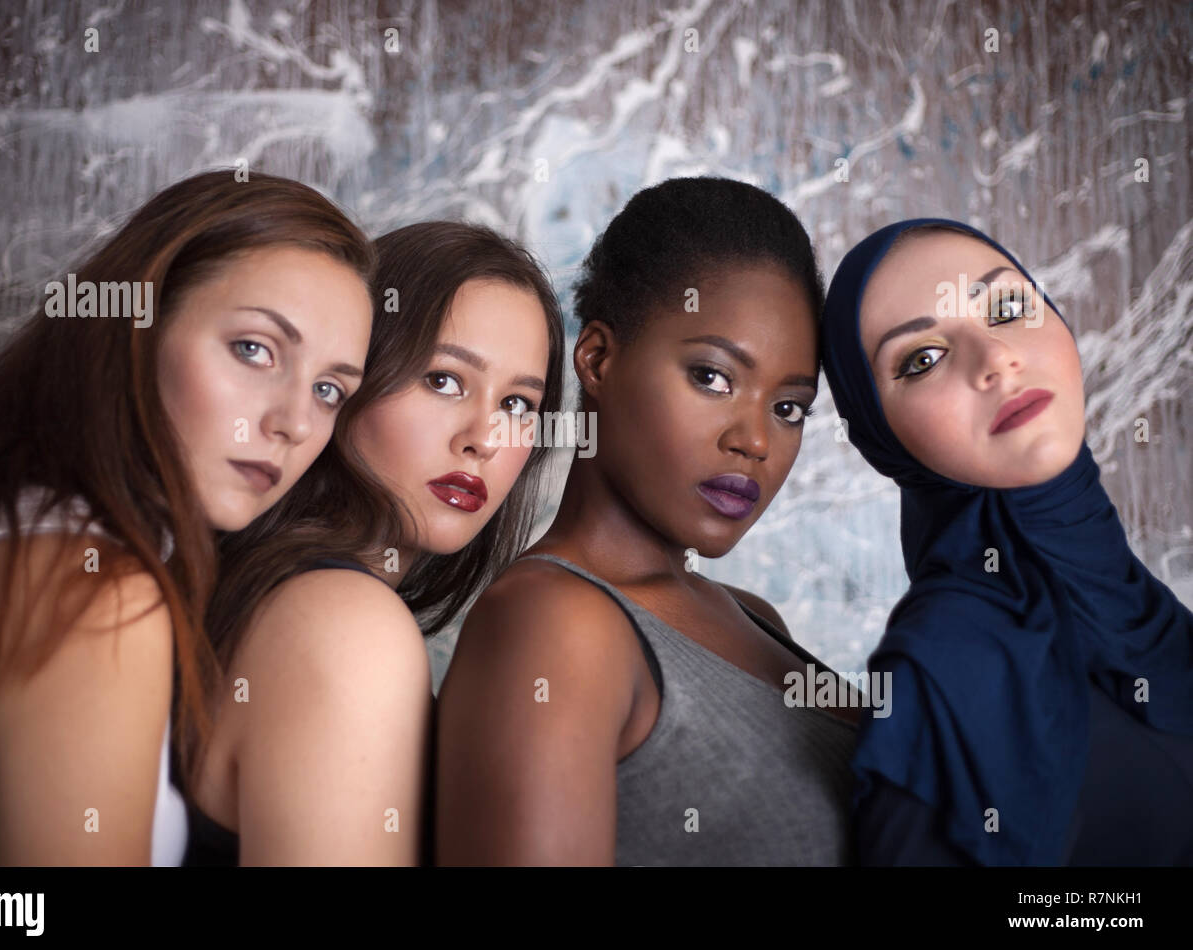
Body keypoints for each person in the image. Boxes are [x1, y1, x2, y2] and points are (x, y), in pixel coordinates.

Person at [0, 169, 375, 865]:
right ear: (135, 327)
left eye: (330, 389)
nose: (295, 422)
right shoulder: (94, 589)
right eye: (254, 350)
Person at [436, 177, 861, 866]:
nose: (754, 439)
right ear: (598, 359)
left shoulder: (753, 617)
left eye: (788, 408)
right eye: (713, 377)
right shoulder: (556, 623)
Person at [183, 221, 565, 865]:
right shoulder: (346, 626)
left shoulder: (281, 594)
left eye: (519, 404)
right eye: (443, 380)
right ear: (353, 372)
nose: (485, 437)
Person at [818, 217, 1193, 865]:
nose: (995, 360)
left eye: (1008, 307)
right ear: (881, 436)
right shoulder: (946, 667)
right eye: (923, 359)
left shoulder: (1122, 591)